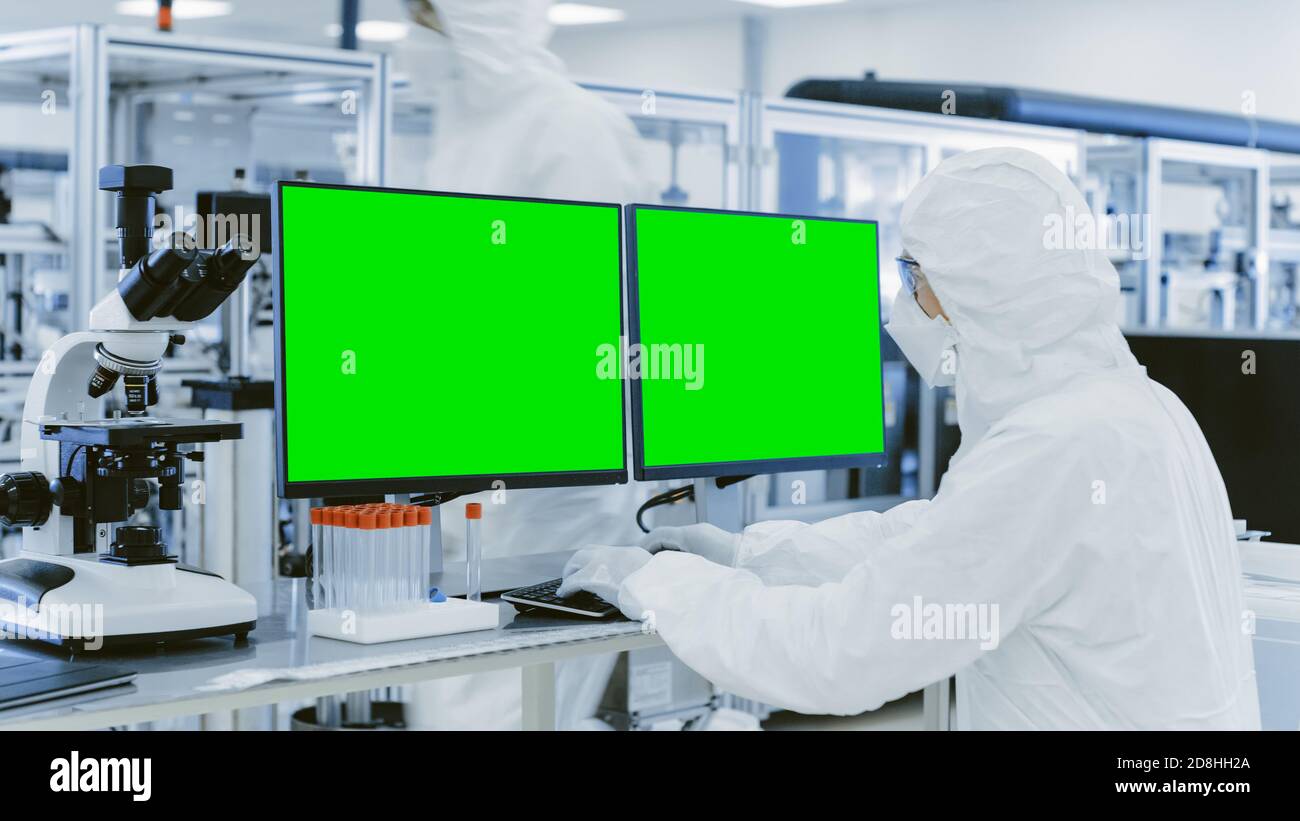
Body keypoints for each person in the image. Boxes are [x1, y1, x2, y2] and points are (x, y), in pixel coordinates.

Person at [560, 147, 1262, 730]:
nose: (905, 305)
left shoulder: (1053, 447)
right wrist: (753, 553)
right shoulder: (1134, 406)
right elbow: (941, 540)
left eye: (917, 278)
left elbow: (837, 652)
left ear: (985, 291)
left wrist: (654, 584)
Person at [401, 0, 656, 731]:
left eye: (428, 15)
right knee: (465, 692)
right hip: (476, 472)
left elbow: (588, 304)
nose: (418, 34)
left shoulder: (569, 126)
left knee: (506, 706)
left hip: (558, 480)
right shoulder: (464, 127)